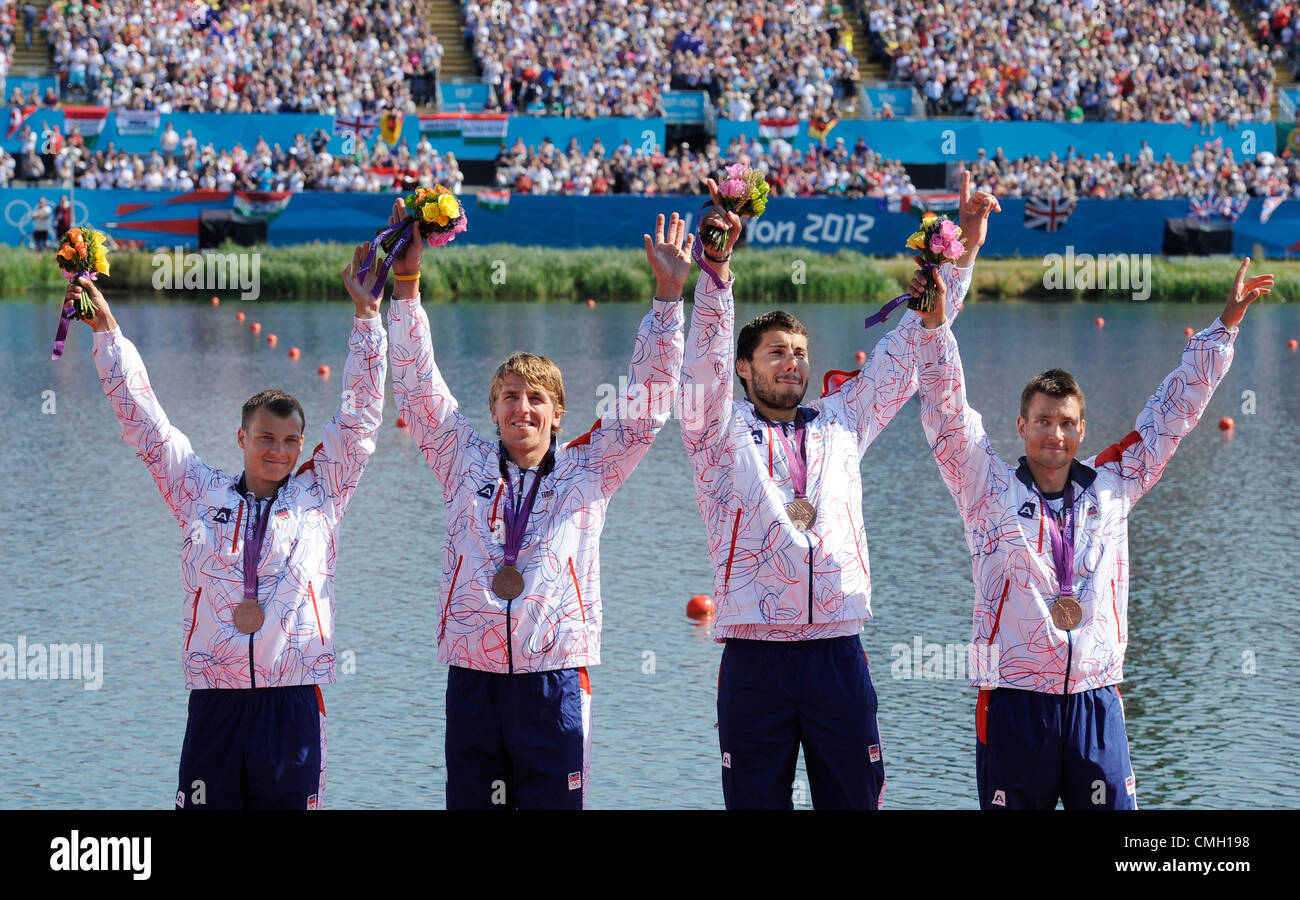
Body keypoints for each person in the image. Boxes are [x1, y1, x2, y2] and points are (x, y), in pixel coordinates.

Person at [679, 172, 1000, 809]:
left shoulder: (843, 419)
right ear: (745, 368)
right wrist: (716, 273)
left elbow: (911, 345)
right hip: (754, 654)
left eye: (798, 351)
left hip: (838, 651)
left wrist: (960, 249)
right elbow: (704, 365)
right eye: (775, 352)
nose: (792, 362)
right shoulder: (715, 430)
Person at [912, 258, 1273, 810]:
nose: (1054, 433)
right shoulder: (985, 489)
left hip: (1095, 698)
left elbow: (1171, 413)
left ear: (1081, 429)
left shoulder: (1114, 485)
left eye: (1065, 422)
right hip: (1014, 698)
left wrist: (1225, 325)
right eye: (1042, 421)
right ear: (1021, 426)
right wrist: (936, 329)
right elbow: (947, 413)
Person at [385, 199, 691, 809]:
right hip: (473, 678)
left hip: (555, 680)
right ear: (494, 408)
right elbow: (418, 385)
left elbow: (649, 402)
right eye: (508, 397)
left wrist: (667, 300)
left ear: (557, 414)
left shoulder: (589, 469)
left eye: (535, 399)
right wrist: (407, 283)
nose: (521, 408)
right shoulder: (460, 459)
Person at [74, 242, 389, 809]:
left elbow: (360, 419)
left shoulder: (321, 495)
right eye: (266, 438)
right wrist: (107, 335)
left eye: (291, 440)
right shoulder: (197, 490)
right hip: (215, 703)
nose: (279, 450)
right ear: (242, 438)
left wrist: (368, 317)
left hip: (291, 702)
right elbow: (146, 424)